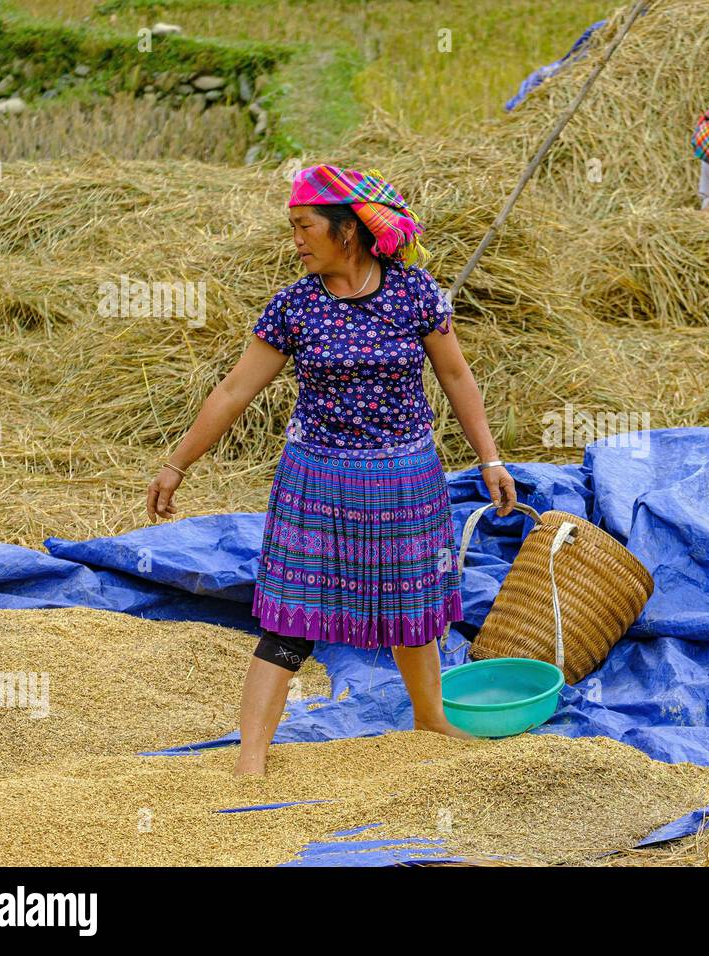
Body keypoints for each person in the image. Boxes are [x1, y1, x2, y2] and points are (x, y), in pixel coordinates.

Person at [145, 164, 518, 774]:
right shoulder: (294, 306)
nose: (295, 239)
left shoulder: (416, 292)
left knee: (413, 602)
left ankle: (430, 719)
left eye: (304, 226)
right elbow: (235, 390)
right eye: (292, 226)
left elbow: (455, 376)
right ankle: (251, 759)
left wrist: (490, 457)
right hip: (317, 480)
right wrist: (176, 464)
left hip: (405, 476)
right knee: (293, 612)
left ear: (347, 231)